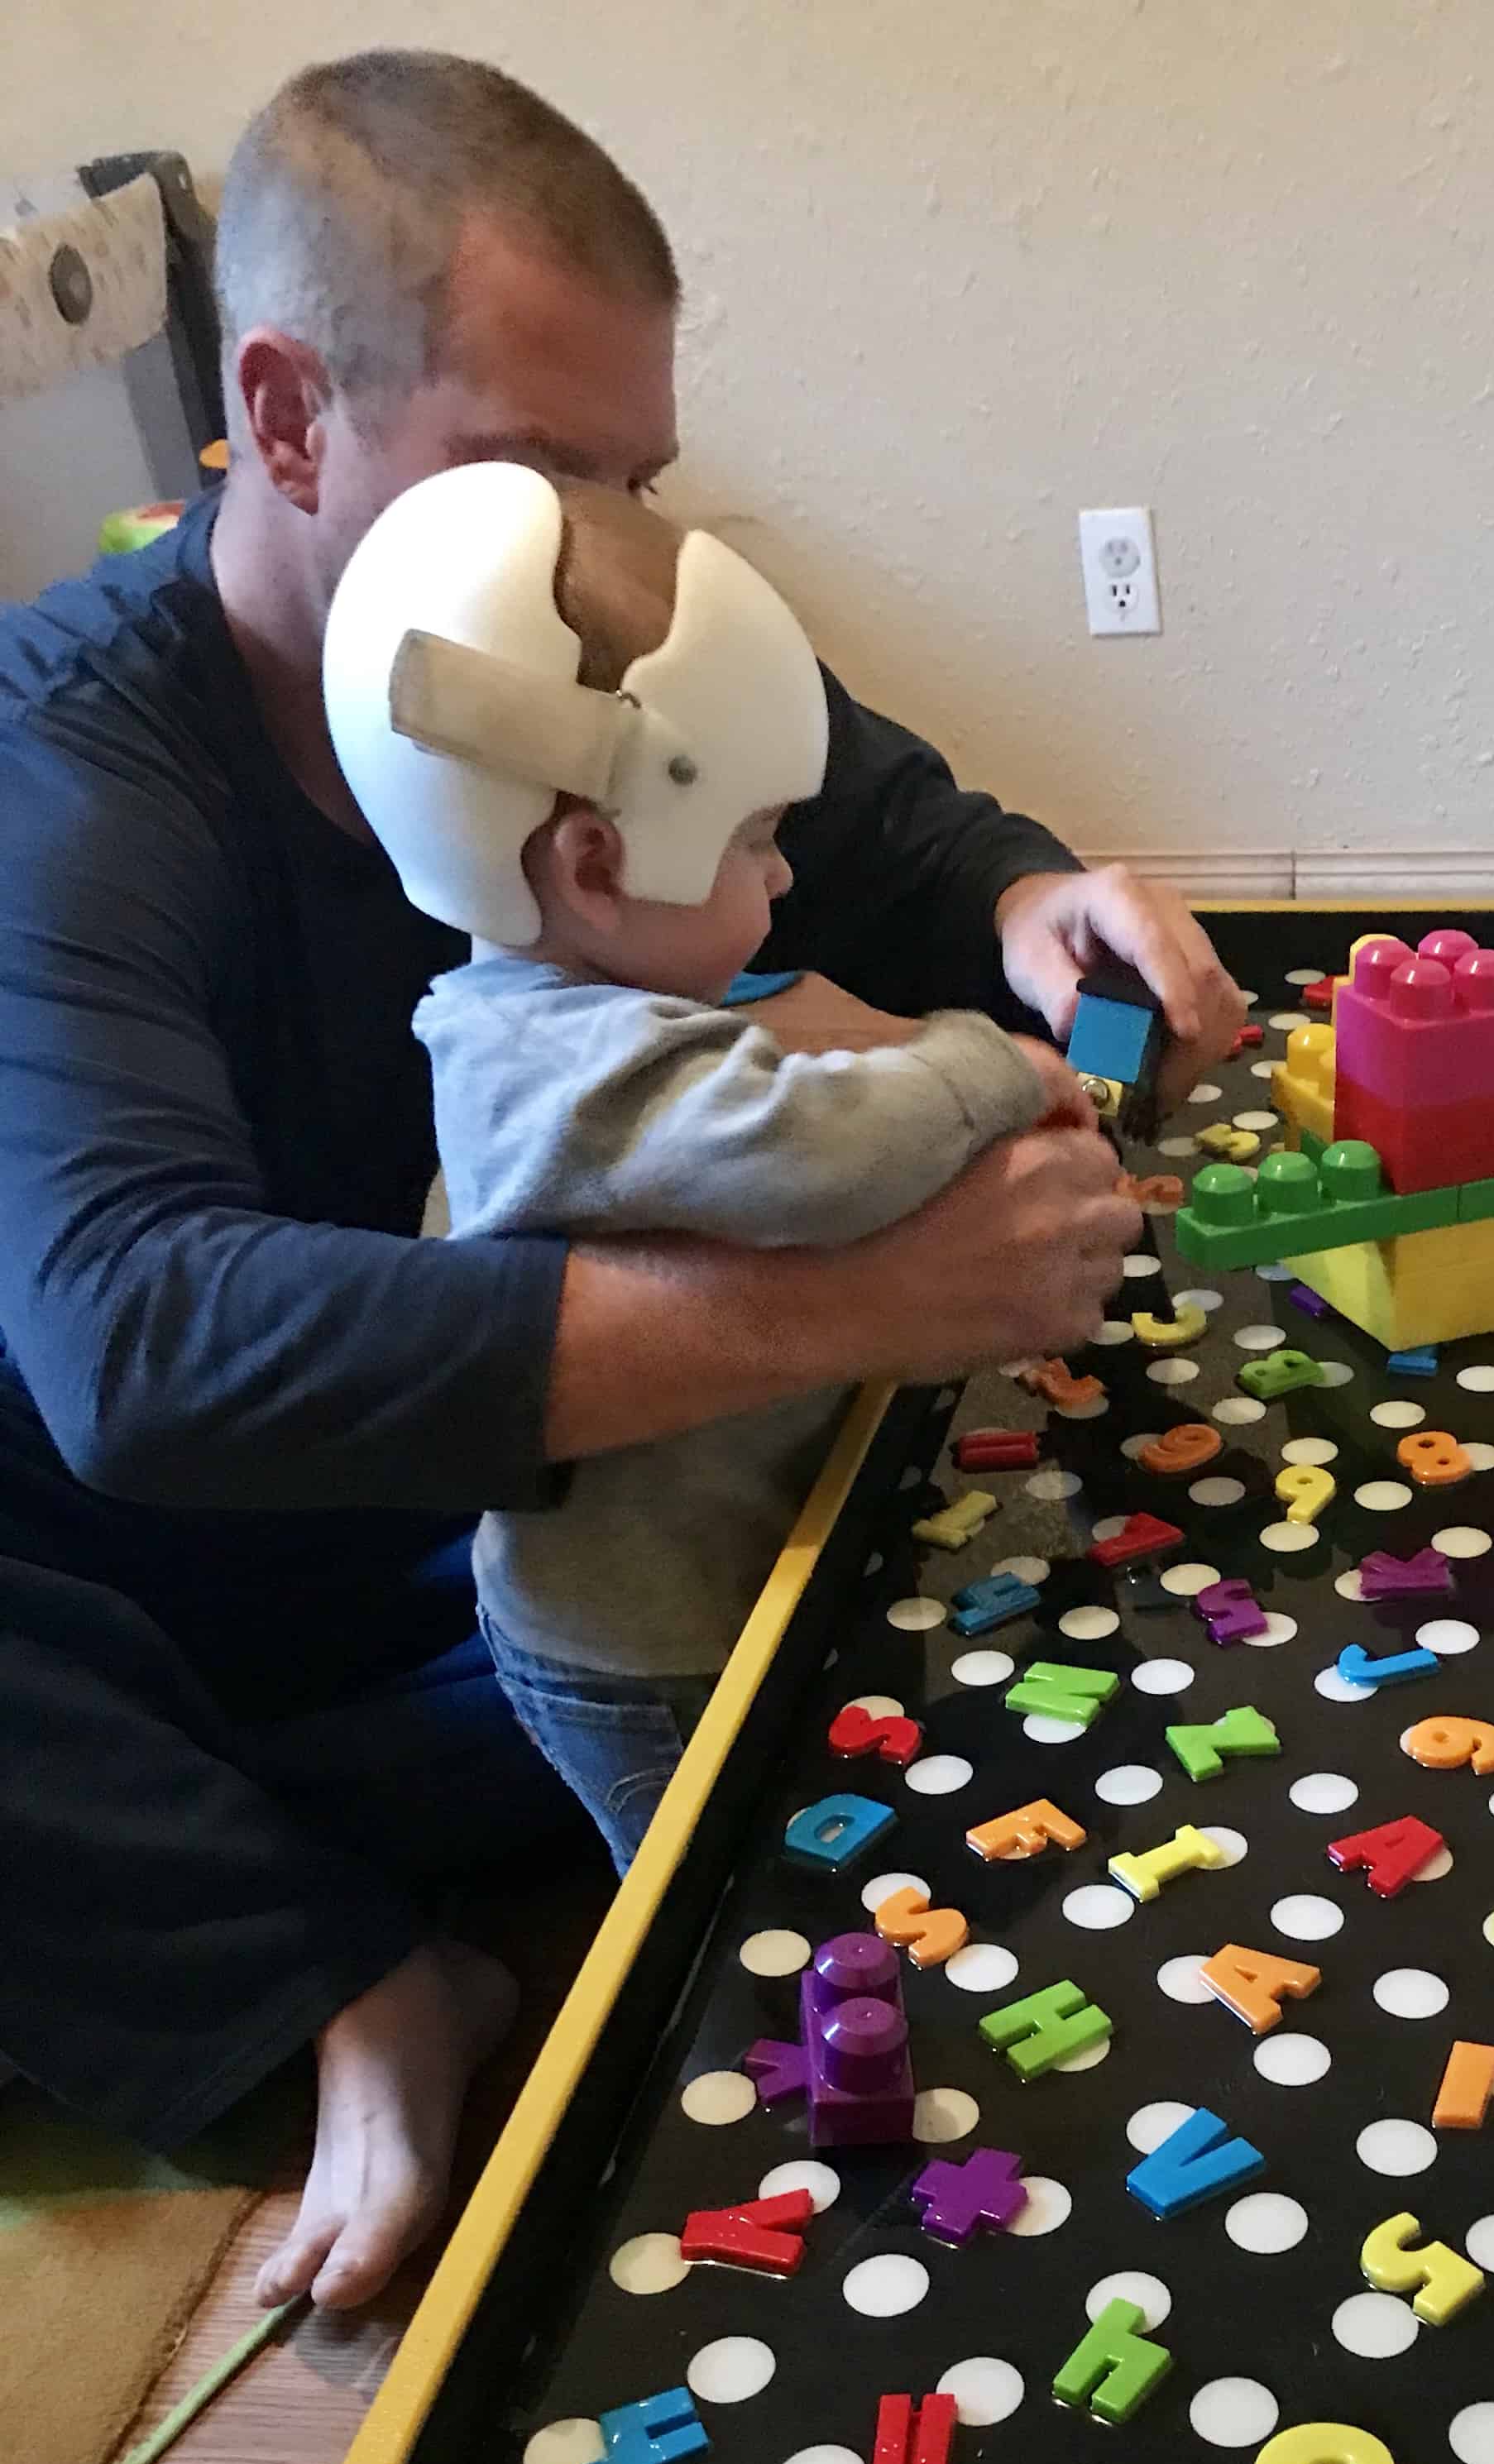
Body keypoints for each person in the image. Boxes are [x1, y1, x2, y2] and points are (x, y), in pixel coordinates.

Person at [0, 50, 1243, 2311]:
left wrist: (1038, 906)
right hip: (166, 1617)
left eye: (635, 475)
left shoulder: (587, 635)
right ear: (285, 422)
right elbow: (137, 1349)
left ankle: (438, 1891)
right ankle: (342, 1988)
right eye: (533, 470)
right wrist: (856, 1305)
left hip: (520, 1557)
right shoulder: (76, 775)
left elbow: (883, 827)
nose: (609, 541)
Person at [328, 458, 1098, 1864]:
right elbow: (805, 1153)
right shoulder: (572, 1067)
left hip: (720, 1580)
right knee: (737, 1882)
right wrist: (985, 1061)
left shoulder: (565, 1009)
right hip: (652, 1652)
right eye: (755, 839)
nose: (785, 877)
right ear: (601, 864)